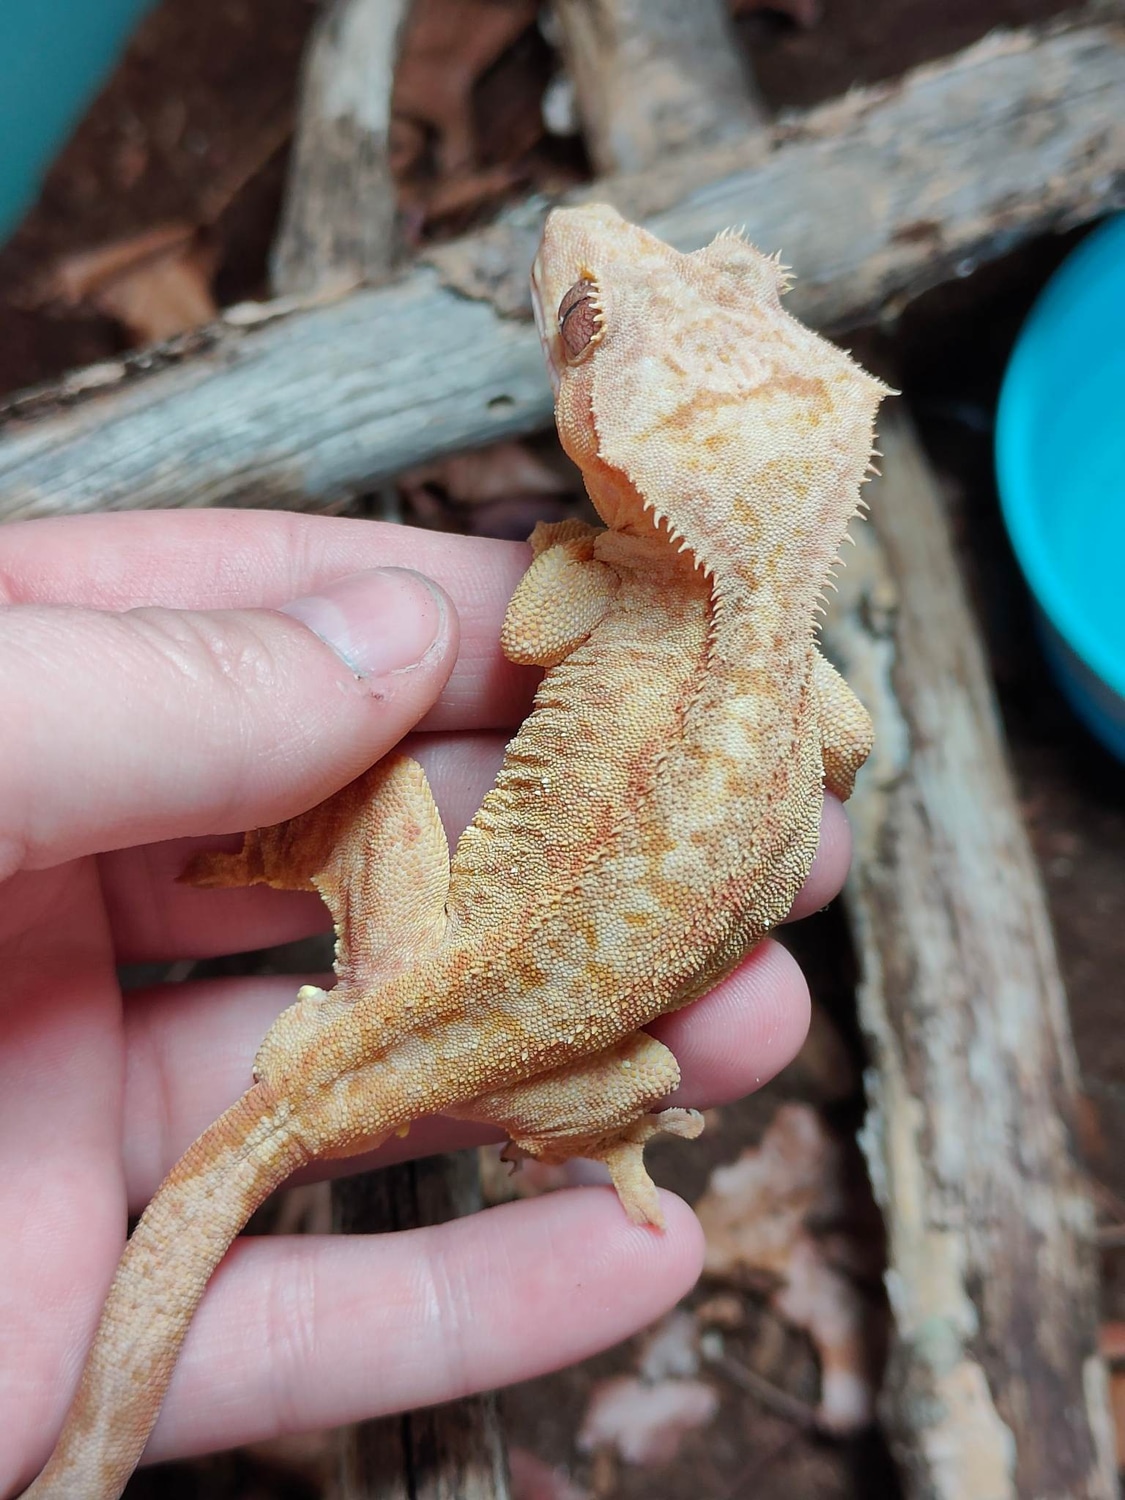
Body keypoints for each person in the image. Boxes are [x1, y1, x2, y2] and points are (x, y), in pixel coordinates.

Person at [0, 508, 851, 1488]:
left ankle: (283, 845)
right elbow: (849, 747)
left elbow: (530, 628)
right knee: (657, 1069)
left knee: (380, 784)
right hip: (520, 1056)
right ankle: (596, 1129)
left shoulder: (624, 577)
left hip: (431, 985)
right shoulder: (792, 664)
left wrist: (567, 549)